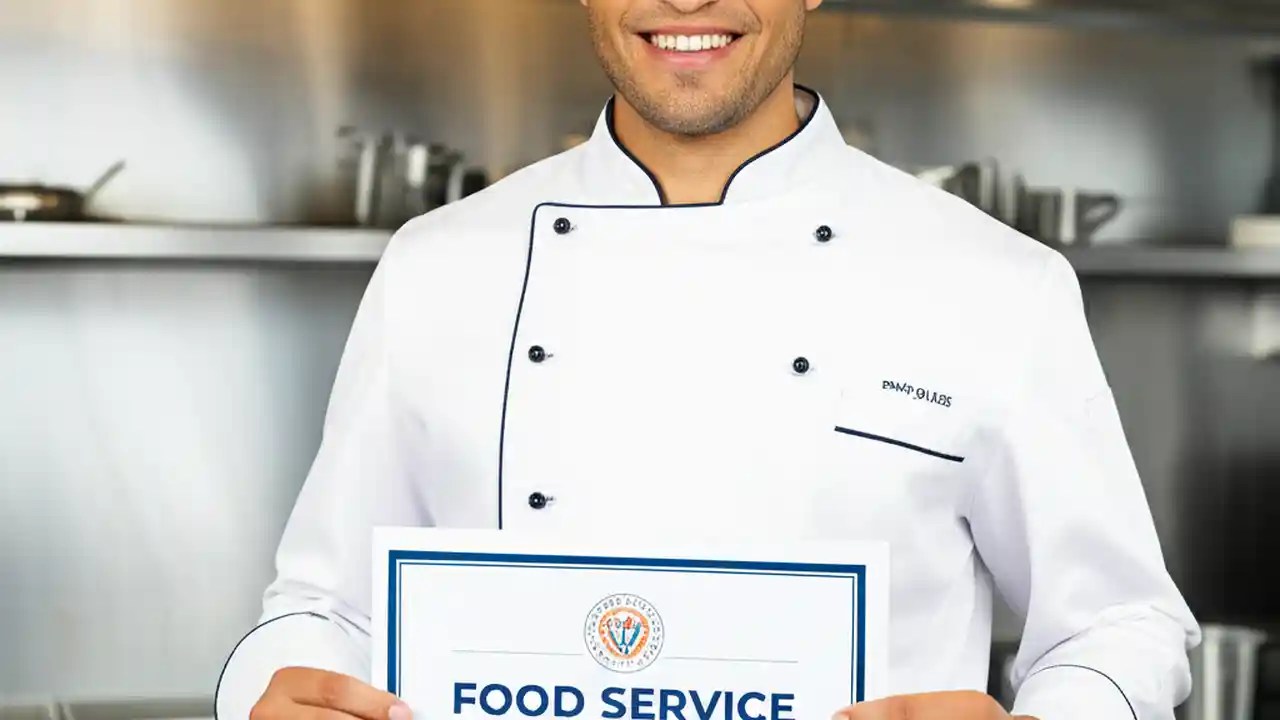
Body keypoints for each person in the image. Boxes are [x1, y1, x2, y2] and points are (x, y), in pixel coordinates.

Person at [216, 1, 1200, 719]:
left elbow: (1116, 625)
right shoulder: (437, 266)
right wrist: (275, 687)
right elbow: (322, 607)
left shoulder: (991, 280)